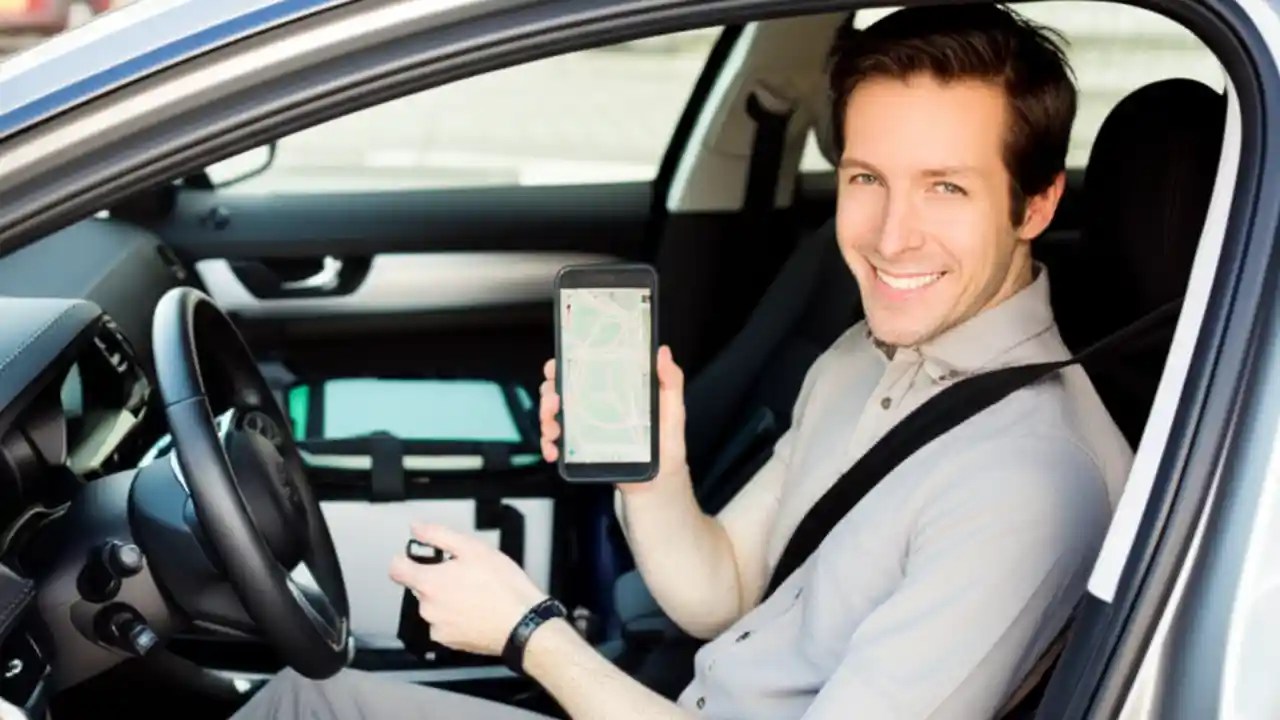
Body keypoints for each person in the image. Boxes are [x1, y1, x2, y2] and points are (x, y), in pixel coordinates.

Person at [232, 5, 1133, 719]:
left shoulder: (1029, 485)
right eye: (866, 178)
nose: (892, 236)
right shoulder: (867, 353)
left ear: (1036, 204)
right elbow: (724, 594)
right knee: (307, 696)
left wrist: (529, 632)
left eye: (946, 187)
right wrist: (656, 469)